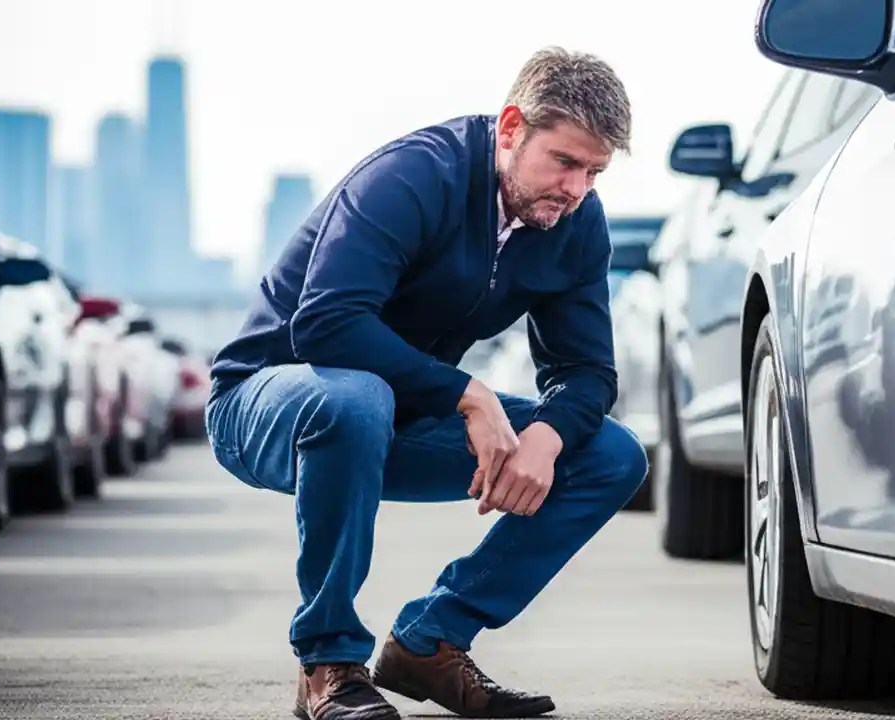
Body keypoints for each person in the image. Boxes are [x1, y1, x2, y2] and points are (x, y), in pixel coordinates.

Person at [204, 47, 647, 720]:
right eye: (564, 161)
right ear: (509, 129)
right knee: (355, 397)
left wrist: (549, 437)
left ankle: (431, 642)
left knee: (610, 455)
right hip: (267, 402)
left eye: (594, 170)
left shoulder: (575, 222)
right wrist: (468, 395)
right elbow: (324, 323)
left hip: (397, 416)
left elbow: (587, 371)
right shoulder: (414, 176)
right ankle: (328, 663)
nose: (578, 188)